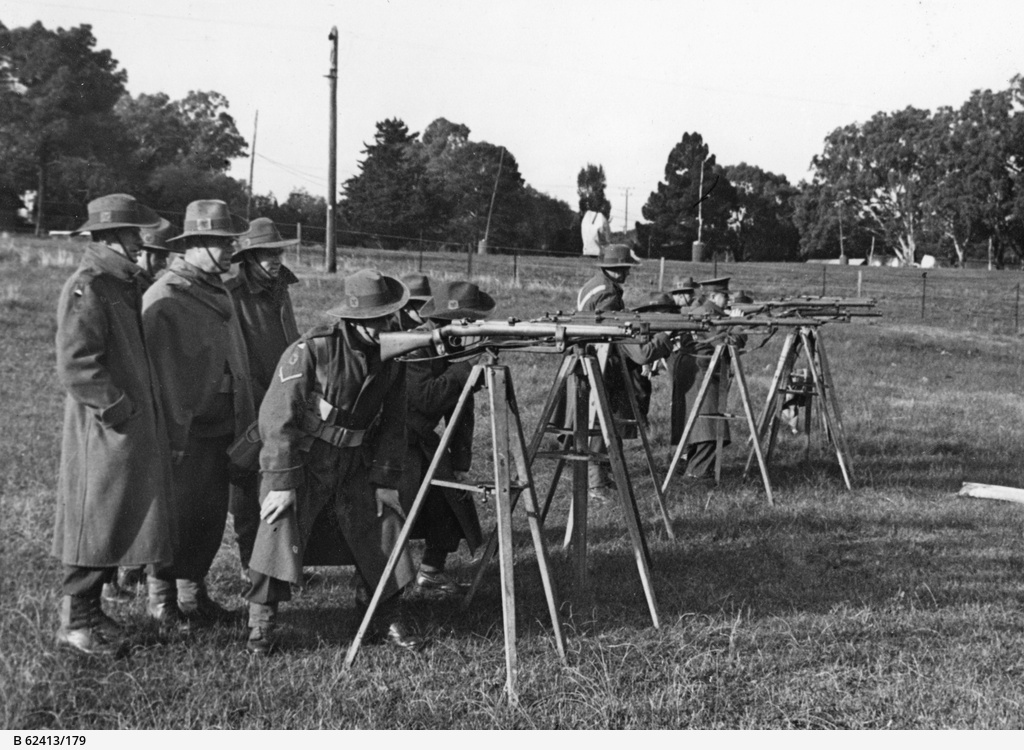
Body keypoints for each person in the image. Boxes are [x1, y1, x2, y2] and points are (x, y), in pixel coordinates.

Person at [244, 269, 423, 656]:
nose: (379, 328)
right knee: (278, 526)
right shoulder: (312, 350)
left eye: (386, 318)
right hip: (305, 459)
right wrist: (282, 482)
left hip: (356, 461)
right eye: (371, 320)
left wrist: (386, 478)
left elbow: (395, 422)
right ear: (351, 318)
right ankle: (262, 624)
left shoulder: (392, 357)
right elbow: (277, 419)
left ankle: (385, 615)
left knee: (384, 522)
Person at [53, 193, 173, 654]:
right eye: (134, 233)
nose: (141, 242)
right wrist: (120, 409)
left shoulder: (121, 284)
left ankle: (93, 612)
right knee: (94, 521)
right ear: (113, 237)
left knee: (116, 520)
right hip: (105, 430)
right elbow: (78, 365)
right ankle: (76, 620)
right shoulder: (89, 285)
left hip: (126, 427)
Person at [142, 199, 255, 628]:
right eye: (218, 243)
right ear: (192, 245)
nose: (228, 251)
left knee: (207, 514)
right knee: (174, 514)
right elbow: (157, 375)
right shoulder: (165, 296)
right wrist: (169, 433)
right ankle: (162, 600)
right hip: (182, 429)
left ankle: (194, 593)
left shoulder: (218, 290)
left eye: (229, 242)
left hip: (222, 422)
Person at [401, 280, 492, 595]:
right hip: (395, 442)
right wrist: (466, 368)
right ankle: (387, 584)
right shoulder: (414, 344)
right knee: (398, 514)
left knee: (453, 497)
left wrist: (459, 460)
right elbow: (425, 399)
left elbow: (462, 405)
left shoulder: (452, 346)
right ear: (449, 322)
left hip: (422, 439)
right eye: (469, 321)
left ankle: (431, 572)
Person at [225, 217, 301, 579]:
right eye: (265, 253)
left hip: (283, 392)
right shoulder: (233, 292)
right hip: (249, 398)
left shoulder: (280, 287)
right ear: (249, 256)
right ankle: (249, 564)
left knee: (279, 475)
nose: (274, 259)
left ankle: (275, 559)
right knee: (245, 479)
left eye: (277, 251)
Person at [574, 244, 672, 496]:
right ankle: (596, 484)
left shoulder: (595, 285)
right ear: (615, 269)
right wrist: (661, 337)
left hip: (592, 359)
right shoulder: (608, 294)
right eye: (624, 268)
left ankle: (602, 478)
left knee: (604, 422)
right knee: (602, 423)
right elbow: (619, 335)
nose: (627, 272)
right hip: (601, 363)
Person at [678, 277, 745, 480]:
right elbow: (727, 343)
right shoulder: (708, 315)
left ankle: (694, 469)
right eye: (725, 296)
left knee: (700, 426)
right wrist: (737, 324)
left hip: (700, 372)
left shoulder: (705, 311)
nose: (729, 299)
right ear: (714, 296)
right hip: (702, 373)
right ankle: (696, 475)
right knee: (710, 427)